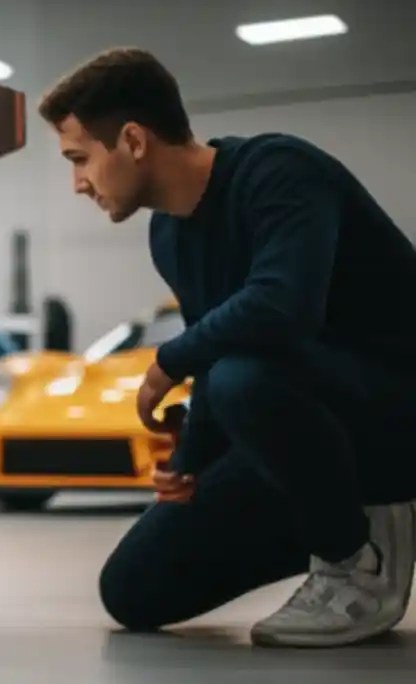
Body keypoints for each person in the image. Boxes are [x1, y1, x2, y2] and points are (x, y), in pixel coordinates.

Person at [36, 46, 416, 647]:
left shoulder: (280, 172)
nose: (77, 183)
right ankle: (338, 516)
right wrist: (191, 462)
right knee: (134, 589)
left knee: (248, 376)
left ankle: (357, 566)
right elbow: (218, 361)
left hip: (393, 417)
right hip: (307, 435)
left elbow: (281, 309)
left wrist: (168, 359)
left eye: (80, 159)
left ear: (133, 140)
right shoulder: (168, 235)